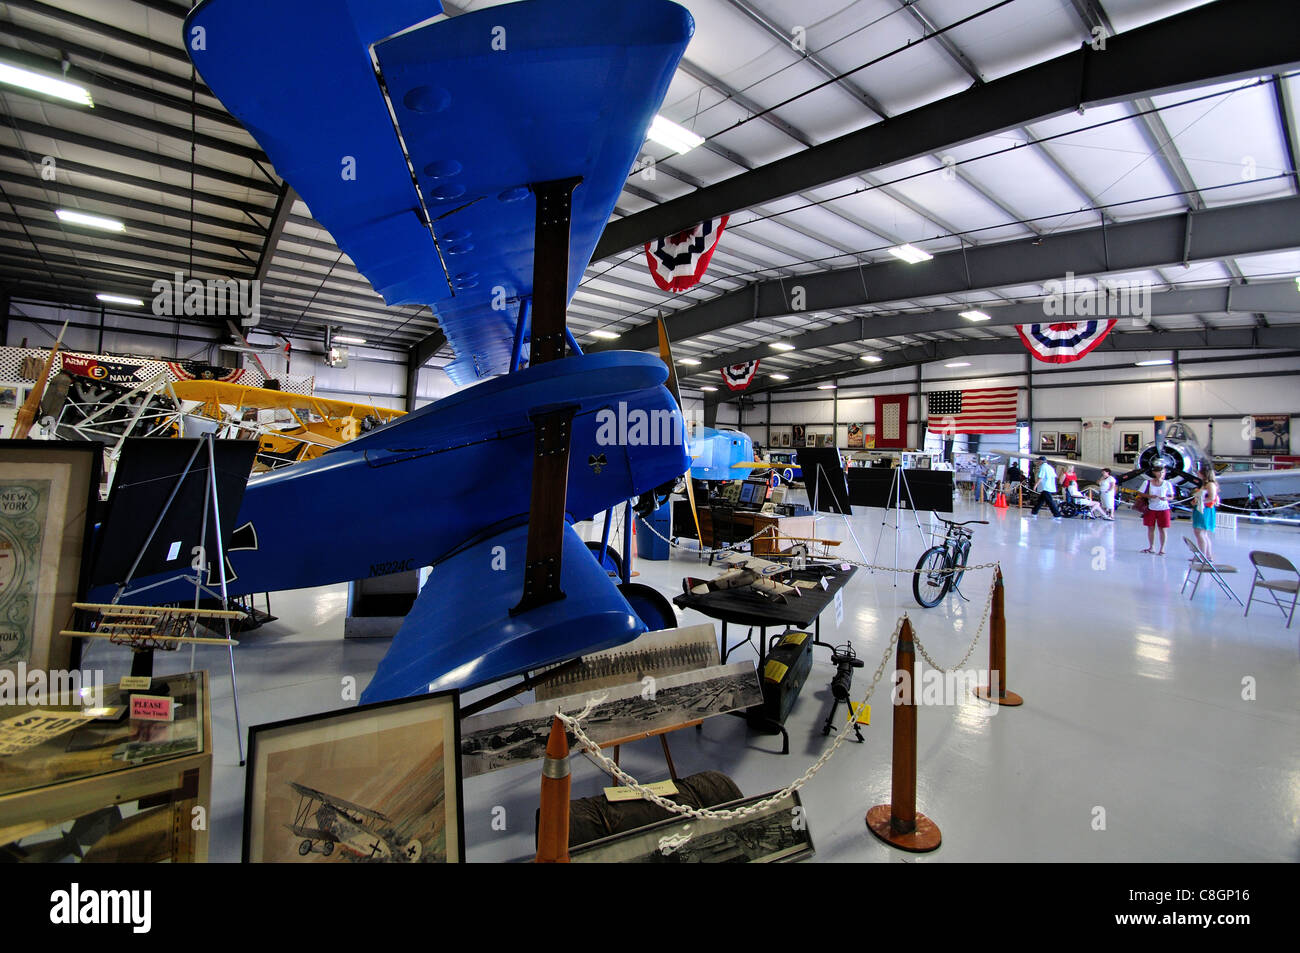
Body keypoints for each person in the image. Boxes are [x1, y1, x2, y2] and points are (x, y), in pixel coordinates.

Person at [1138, 463, 1175, 554]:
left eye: (1163, 472)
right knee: (1151, 528)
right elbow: (1140, 492)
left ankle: (1162, 548)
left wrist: (1166, 498)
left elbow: (1171, 496)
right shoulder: (1147, 482)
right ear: (1154, 473)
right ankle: (1152, 547)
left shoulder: (1167, 484)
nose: (1161, 474)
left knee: (1163, 529)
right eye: (1159, 472)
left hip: (1163, 508)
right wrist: (1150, 496)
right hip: (1151, 508)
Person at [1192, 469, 1220, 559]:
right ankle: (1207, 555)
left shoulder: (1210, 484)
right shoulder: (1204, 484)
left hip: (1205, 509)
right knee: (1201, 533)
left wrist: (1200, 501)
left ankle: (1203, 555)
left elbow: (1212, 497)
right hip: (1200, 508)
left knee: (1200, 532)